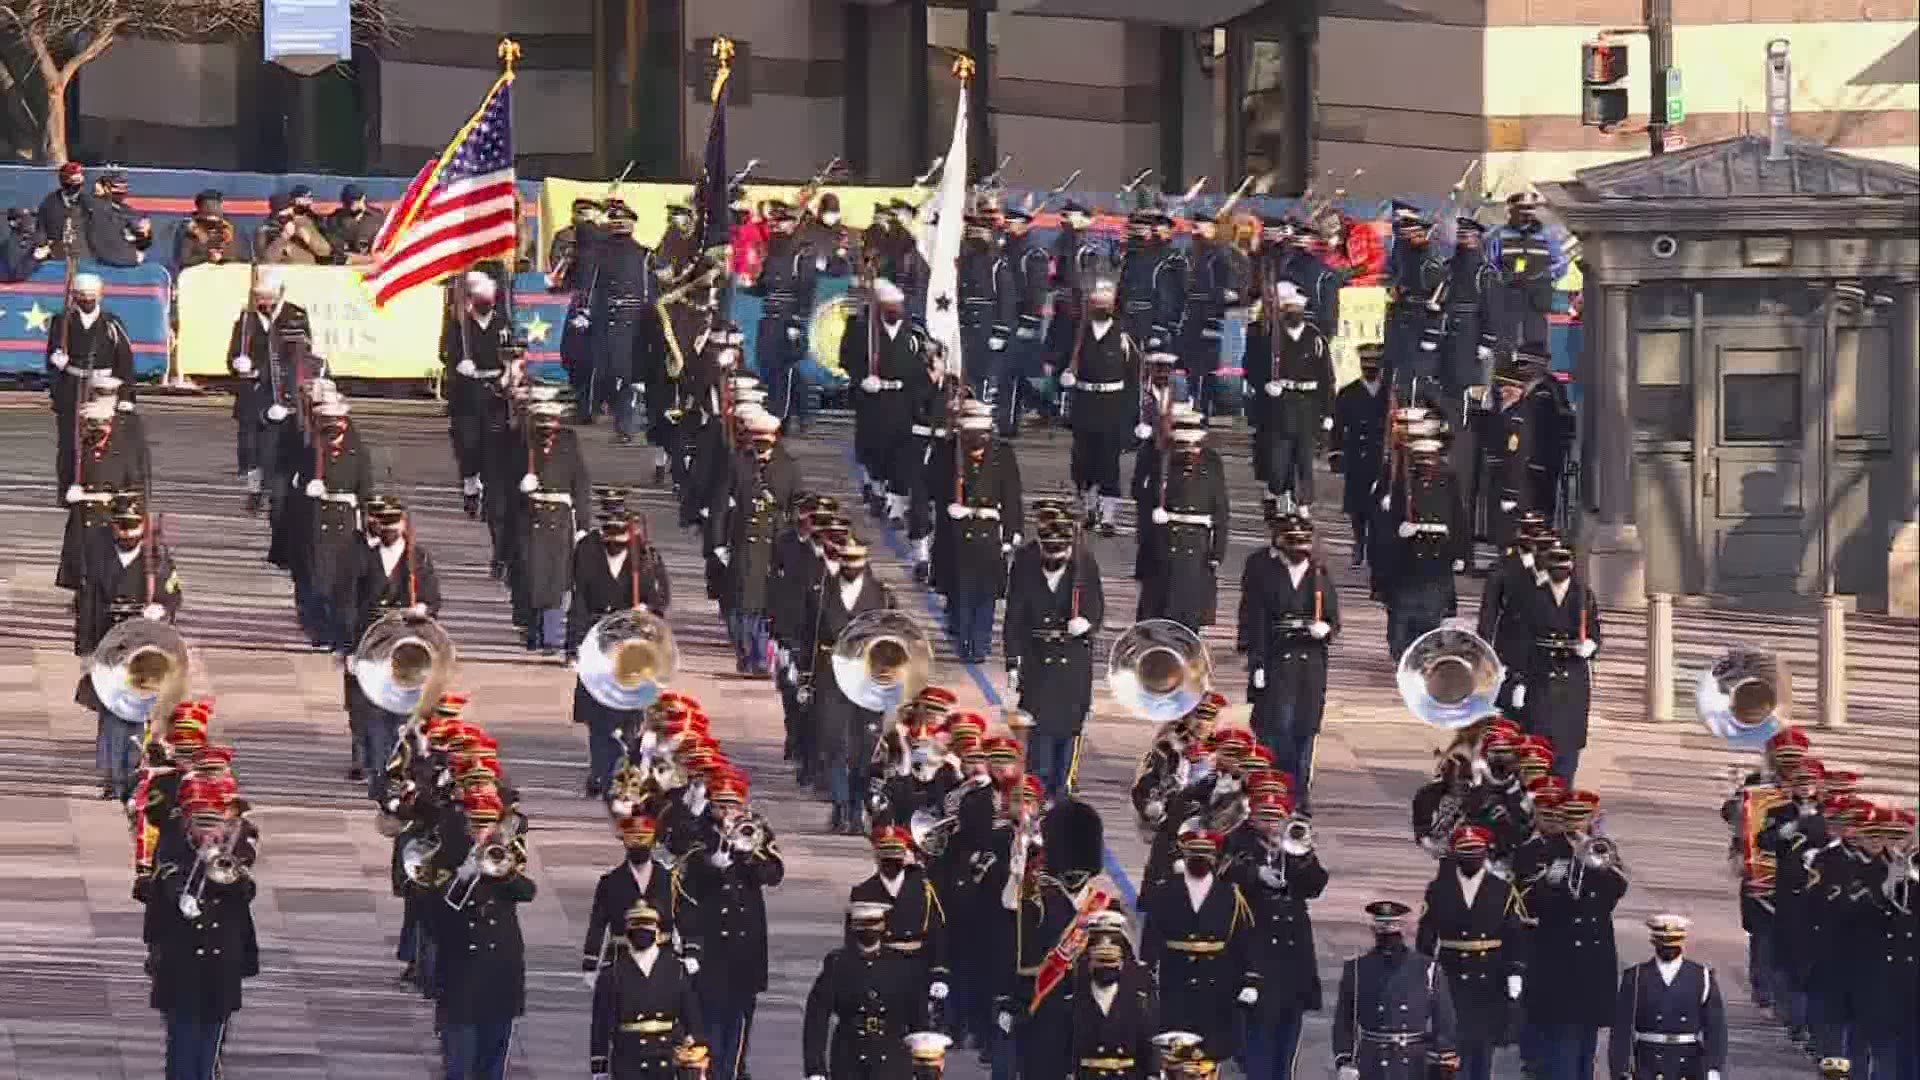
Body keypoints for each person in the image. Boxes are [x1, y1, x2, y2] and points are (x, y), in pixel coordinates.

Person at [150, 791, 259, 1080]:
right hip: (182, 970)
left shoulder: (233, 858)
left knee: (209, 1051)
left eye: (215, 823)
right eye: (203, 823)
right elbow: (166, 897)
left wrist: (220, 863)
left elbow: (245, 894)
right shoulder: (175, 859)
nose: (210, 831)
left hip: (219, 972)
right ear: (189, 826)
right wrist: (195, 873)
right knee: (182, 1049)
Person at [75, 509, 182, 799]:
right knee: (111, 713)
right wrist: (85, 648)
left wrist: (162, 609)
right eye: (122, 528)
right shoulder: (99, 554)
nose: (126, 535)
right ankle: (112, 776)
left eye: (132, 529)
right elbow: (88, 603)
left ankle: (133, 772)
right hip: (109, 646)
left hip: (144, 648)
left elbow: (174, 593)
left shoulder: (156, 559)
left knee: (138, 713)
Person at [684, 770, 783, 1080]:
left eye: (733, 806)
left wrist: (750, 854)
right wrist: (715, 861)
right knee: (709, 1021)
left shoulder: (757, 830)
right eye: (721, 806)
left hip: (745, 949)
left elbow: (774, 874)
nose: (727, 814)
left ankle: (734, 1071)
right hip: (711, 946)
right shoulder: (698, 833)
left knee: (740, 1021)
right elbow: (688, 878)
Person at [1520, 790, 1625, 1080]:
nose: (1577, 825)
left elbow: (1617, 891)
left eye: (1583, 818)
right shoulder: (1541, 851)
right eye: (1572, 817)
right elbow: (1528, 901)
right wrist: (1556, 880)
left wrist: (1599, 868)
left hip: (1594, 957)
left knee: (1586, 1042)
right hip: (1558, 955)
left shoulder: (1603, 849)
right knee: (1561, 1041)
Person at [568, 509, 671, 795]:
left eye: (620, 536)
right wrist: (574, 647)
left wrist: (647, 610)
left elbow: (661, 598)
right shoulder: (589, 557)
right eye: (609, 536)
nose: (614, 542)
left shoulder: (645, 561)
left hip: (632, 648)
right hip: (598, 642)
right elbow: (579, 603)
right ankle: (600, 772)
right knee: (598, 716)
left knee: (629, 717)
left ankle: (624, 773)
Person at [1240, 511, 1339, 805]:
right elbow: (1255, 619)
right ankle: (1273, 790)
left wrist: (1327, 629)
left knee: (1304, 731)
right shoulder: (1267, 574)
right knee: (1275, 728)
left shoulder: (1320, 576)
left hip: (1309, 667)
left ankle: (1299, 796)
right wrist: (1256, 663)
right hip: (1276, 661)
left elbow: (1333, 617)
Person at [1227, 791, 1326, 1080]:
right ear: (1252, 816)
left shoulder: (1291, 847)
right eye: (1264, 817)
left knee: (1286, 1053)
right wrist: (1255, 874)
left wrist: (1303, 854)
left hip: (1293, 965)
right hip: (1256, 962)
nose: (1271, 824)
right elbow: (1222, 871)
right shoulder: (1238, 843)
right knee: (1257, 1052)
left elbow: (1315, 885)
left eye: (1276, 818)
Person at [800, 539, 895, 834]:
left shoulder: (881, 596)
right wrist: (806, 674)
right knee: (834, 745)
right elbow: (810, 636)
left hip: (867, 680)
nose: (851, 568)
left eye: (857, 562)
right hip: (831, 678)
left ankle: (856, 808)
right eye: (847, 562)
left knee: (864, 750)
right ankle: (841, 806)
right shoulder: (822, 592)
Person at [1415, 825, 1524, 1080]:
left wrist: (1515, 972)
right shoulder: (1439, 889)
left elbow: (1514, 935)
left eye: (1476, 853)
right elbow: (1426, 934)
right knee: (1450, 1047)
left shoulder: (1502, 889)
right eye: (1466, 853)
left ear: (1485, 854)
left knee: (1482, 1049)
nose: (1471, 858)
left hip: (1490, 976)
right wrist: (1425, 968)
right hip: (1451, 973)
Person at [1139, 828, 1259, 1059]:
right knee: (1173, 1056)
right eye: (1195, 854)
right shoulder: (1164, 892)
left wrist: (1249, 980)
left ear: (1214, 858)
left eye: (1206, 855)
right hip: (1175, 985)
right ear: (1185, 856)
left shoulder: (1230, 895)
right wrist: (1145, 978)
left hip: (1217, 989)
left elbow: (1242, 942)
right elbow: (1151, 940)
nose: (1201, 859)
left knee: (1211, 1055)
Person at [1004, 519, 1102, 798]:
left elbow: (1097, 607)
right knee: (1040, 748)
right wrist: (1012, 662)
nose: (1054, 558)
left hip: (1073, 669)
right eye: (1049, 552)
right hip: (1039, 666)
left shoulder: (1084, 571)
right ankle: (1038, 800)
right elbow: (1015, 619)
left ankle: (1061, 796)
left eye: (1059, 553)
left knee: (1068, 740)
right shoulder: (1028, 573)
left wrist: (1087, 623)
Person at [348, 501, 440, 794]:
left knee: (401, 709)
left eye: (393, 524)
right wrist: (349, 648)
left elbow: (433, 597)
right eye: (383, 525)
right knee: (370, 707)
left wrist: (423, 607)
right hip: (371, 641)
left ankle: (395, 764)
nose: (388, 530)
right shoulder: (363, 557)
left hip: (405, 643)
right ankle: (375, 765)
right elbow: (348, 604)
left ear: (402, 525)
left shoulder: (418, 559)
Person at [712, 409, 802, 676]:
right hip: (743, 542)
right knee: (742, 603)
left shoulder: (788, 468)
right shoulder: (737, 464)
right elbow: (720, 506)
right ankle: (747, 652)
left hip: (775, 543)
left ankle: (762, 658)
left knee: (767, 603)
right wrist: (717, 543)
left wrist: (796, 542)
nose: (761, 450)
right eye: (758, 443)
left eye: (766, 444)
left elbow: (796, 505)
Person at [802, 901, 929, 1080]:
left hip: (893, 1060)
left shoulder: (901, 966)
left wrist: (924, 1065)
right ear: (853, 928)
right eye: (862, 925)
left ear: (883, 926)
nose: (868, 931)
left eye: (873, 924)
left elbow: (919, 1018)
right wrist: (815, 1068)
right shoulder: (838, 964)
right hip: (849, 1058)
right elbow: (817, 1017)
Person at [1332, 900, 1457, 1080]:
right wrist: (1345, 1061)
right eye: (1383, 927)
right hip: (1371, 1063)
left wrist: (1444, 1063)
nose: (1387, 932)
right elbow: (1344, 1020)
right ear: (1373, 929)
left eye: (1393, 927)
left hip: (1414, 1064)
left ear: (1403, 929)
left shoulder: (1427, 968)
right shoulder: (1357, 968)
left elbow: (1444, 1019)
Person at [935, 411, 1022, 663]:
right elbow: (933, 484)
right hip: (959, 533)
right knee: (963, 590)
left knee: (986, 593)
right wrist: (948, 504)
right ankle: (965, 641)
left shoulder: (1002, 456)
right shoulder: (951, 454)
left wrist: (1012, 532)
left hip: (989, 531)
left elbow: (1012, 495)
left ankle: (980, 644)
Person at [845, 279, 934, 525]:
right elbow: (848, 357)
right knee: (874, 450)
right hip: (874, 399)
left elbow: (923, 362)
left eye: (898, 305)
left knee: (902, 453)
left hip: (903, 399)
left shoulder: (913, 331)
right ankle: (875, 488)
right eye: (889, 305)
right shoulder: (863, 329)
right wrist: (862, 378)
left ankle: (896, 507)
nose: (895, 310)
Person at [1376, 431, 1468, 660]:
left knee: (1432, 612)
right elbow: (1386, 521)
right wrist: (1398, 529)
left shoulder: (1449, 481)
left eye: (1431, 457)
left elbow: (1458, 518)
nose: (1427, 463)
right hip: (1408, 557)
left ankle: (1424, 656)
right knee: (1402, 617)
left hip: (1438, 554)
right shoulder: (1403, 482)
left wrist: (1460, 552)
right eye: (1422, 457)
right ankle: (1402, 656)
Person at [589, 900, 705, 1080]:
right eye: (636, 926)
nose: (642, 931)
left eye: (648, 926)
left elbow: (691, 1015)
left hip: (666, 1061)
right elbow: (600, 1026)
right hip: (628, 1062)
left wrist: (696, 1050)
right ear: (627, 934)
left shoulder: (676, 970)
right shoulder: (612, 974)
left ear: (658, 933)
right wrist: (600, 1067)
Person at [1060, 279, 1140, 535]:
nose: (1100, 306)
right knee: (1083, 460)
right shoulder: (1079, 333)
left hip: (1111, 405)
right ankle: (1090, 509)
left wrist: (1131, 416)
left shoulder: (1124, 336)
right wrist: (1066, 377)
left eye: (1105, 302)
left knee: (1108, 461)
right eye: (1096, 302)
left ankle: (1108, 516)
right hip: (1085, 402)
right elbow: (1065, 359)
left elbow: (1133, 377)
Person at [48, 272, 137, 502]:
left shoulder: (112, 323)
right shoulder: (62, 321)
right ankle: (66, 488)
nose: (86, 300)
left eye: (91, 295)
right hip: (73, 385)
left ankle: (101, 484)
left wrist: (127, 395)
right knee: (69, 441)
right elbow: (52, 356)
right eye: (81, 295)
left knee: (103, 439)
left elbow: (124, 361)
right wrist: (57, 366)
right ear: (74, 296)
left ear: (100, 295)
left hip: (103, 389)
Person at [1135, 409, 1228, 629]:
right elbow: (1140, 494)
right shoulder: (1161, 458)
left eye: (1194, 444)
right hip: (1165, 538)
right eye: (1184, 444)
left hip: (1197, 542)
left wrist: (1218, 551)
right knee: (1158, 606)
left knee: (1189, 610)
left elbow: (1221, 508)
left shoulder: (1212, 462)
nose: (1189, 450)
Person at [1247, 282, 1333, 518]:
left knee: (1305, 459)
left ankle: (1302, 502)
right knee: (1279, 459)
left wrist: (1328, 414)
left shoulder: (1315, 338)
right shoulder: (1271, 337)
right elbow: (1253, 366)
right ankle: (1279, 492)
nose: (1293, 314)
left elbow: (1327, 377)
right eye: (1289, 310)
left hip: (1308, 405)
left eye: (1297, 310)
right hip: (1281, 405)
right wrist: (1264, 384)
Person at [294, 400, 374, 654]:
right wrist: (305, 486)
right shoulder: (311, 451)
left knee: (344, 580)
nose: (335, 426)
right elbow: (293, 480)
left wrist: (368, 523)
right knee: (319, 578)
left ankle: (342, 632)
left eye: (338, 421)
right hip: (319, 519)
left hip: (346, 519)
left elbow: (365, 489)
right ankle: (321, 631)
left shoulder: (357, 453)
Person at [1517, 542, 1600, 783]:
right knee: (1538, 742)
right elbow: (1523, 639)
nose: (1560, 568)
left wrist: (1591, 646)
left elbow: (1594, 632)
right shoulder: (1534, 596)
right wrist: (1519, 680)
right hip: (1540, 673)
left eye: (1564, 562)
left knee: (1567, 746)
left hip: (1572, 677)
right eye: (1555, 562)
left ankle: (1561, 794)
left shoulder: (1583, 596)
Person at [226, 271, 310, 508]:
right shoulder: (246, 319)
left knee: (277, 446)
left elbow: (298, 362)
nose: (262, 302)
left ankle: (278, 490)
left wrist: (287, 401)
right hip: (252, 394)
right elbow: (233, 352)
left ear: (280, 293)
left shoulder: (295, 317)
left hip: (279, 391)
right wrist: (237, 363)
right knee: (250, 445)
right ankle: (253, 490)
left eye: (267, 297)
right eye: (259, 296)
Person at [1608, 915, 1727, 1080]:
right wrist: (1621, 1070)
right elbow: (1622, 1030)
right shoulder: (1635, 976)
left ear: (1682, 944)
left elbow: (1716, 1028)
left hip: (1688, 1065)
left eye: (1673, 945)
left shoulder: (1702, 976)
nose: (1668, 951)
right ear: (1654, 943)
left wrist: (1713, 1067)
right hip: (1647, 1064)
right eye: (1664, 945)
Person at [444, 271, 522, 516]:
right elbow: (446, 353)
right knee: (468, 445)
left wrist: (509, 376)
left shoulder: (503, 324)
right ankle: (469, 483)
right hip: (467, 394)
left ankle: (490, 497)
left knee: (494, 447)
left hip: (495, 393)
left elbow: (515, 354)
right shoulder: (460, 325)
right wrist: (458, 364)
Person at [517, 401, 593, 652]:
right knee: (528, 576)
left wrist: (583, 523)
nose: (547, 426)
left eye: (552, 420)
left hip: (559, 516)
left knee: (557, 576)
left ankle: (550, 634)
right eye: (542, 420)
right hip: (529, 516)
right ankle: (532, 629)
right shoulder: (522, 439)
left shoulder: (568, 441)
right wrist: (520, 486)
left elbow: (580, 481)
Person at [849, 825, 950, 1001]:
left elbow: (935, 931)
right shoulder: (863, 891)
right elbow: (854, 940)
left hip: (917, 969)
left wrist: (938, 973)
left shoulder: (923, 888)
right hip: (880, 969)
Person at [748, 202, 819, 431]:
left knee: (786, 371)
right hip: (769, 316)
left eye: (781, 223)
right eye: (774, 223)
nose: (776, 227)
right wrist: (748, 286)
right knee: (767, 366)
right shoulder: (773, 250)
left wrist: (797, 320)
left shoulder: (802, 251)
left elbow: (806, 287)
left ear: (792, 223)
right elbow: (764, 285)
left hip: (788, 317)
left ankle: (783, 416)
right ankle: (784, 413)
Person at [1330, 344, 1389, 566]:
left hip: (1379, 456)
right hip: (1357, 455)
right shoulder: (1348, 393)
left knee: (1378, 504)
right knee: (1357, 506)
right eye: (1366, 365)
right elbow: (1338, 427)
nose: (1370, 369)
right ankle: (1359, 542)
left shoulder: (1389, 394)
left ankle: (1374, 545)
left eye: (1374, 365)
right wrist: (1336, 453)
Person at [1484, 193, 1564, 353]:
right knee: (1507, 339)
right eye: (1522, 208)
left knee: (1536, 340)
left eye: (1531, 208)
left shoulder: (1547, 235)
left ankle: (1535, 370)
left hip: (1537, 298)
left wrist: (1544, 276)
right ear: (1511, 210)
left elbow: (1560, 263)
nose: (1527, 213)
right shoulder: (1499, 234)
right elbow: (1491, 263)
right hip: (1510, 295)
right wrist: (1504, 277)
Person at [85, 169, 152, 267]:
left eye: (123, 187)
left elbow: (143, 243)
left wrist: (145, 233)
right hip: (100, 264)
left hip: (124, 264)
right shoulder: (93, 207)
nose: (120, 191)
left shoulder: (130, 213)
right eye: (116, 186)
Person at [254, 191, 332, 265]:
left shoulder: (301, 224)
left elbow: (324, 251)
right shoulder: (264, 231)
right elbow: (264, 262)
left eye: (292, 210)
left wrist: (306, 235)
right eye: (285, 213)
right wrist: (283, 238)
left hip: (309, 273)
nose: (291, 214)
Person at [38, 161, 95, 260]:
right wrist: (43, 245)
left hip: (84, 256)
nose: (77, 189)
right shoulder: (50, 203)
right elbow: (41, 229)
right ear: (64, 183)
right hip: (57, 255)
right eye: (72, 185)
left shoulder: (89, 203)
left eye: (80, 184)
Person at [175, 190, 241, 269]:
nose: (212, 209)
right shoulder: (189, 230)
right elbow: (184, 260)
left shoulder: (229, 228)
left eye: (216, 205)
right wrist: (207, 256)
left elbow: (237, 259)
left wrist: (223, 256)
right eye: (207, 206)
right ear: (199, 208)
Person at [325, 184, 383, 261]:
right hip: (347, 264)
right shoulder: (335, 219)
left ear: (363, 198)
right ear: (343, 201)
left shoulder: (378, 217)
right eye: (348, 200)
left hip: (375, 263)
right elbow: (336, 249)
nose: (352, 203)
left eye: (356, 199)